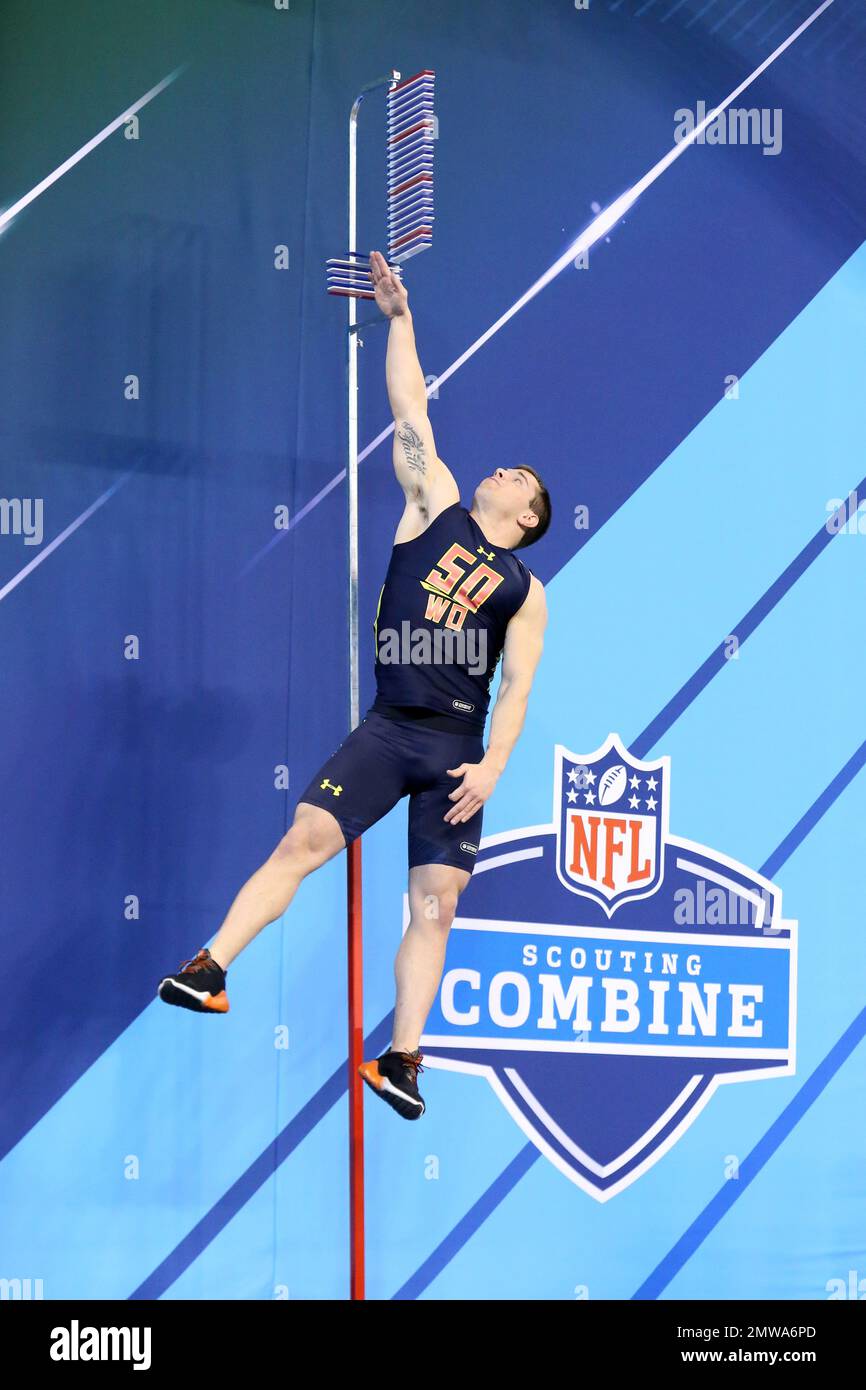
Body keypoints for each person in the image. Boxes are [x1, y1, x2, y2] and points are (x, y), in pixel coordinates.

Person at [158, 250, 550, 1121]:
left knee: (434, 907)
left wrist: (492, 767)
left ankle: (403, 1059)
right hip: (389, 727)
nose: (503, 471)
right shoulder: (433, 502)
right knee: (302, 838)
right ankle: (208, 968)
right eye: (505, 468)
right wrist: (399, 318)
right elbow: (409, 407)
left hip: (455, 752)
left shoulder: (528, 593)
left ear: (527, 520)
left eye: (519, 480)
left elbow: (517, 691)